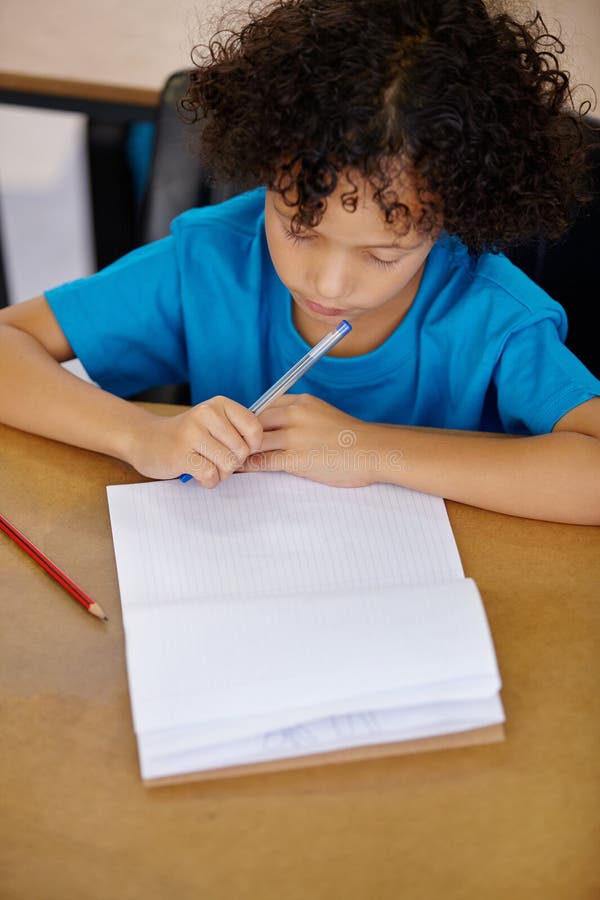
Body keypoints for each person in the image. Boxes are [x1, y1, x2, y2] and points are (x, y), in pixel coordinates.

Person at [1, 0, 599, 525]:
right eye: (300, 229)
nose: (328, 284)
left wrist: (368, 451)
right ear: (267, 168)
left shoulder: (494, 316)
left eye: (383, 254)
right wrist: (142, 436)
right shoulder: (212, 262)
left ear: (452, 215)